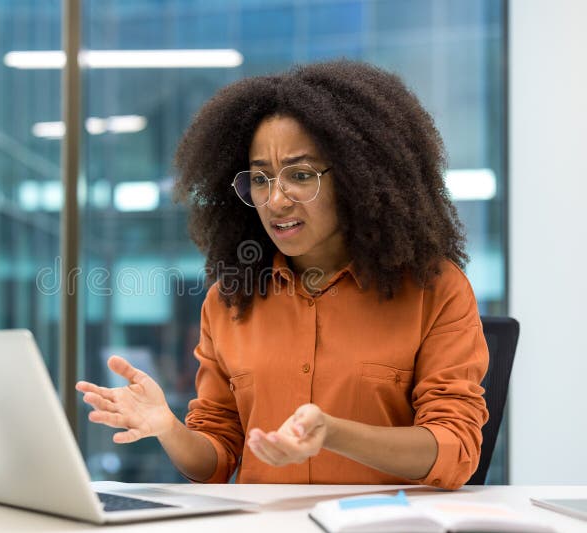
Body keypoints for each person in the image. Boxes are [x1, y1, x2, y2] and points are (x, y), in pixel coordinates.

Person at [76, 60, 489, 490]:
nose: (276, 200)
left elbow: (455, 450)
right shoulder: (229, 300)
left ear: (357, 178)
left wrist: (332, 434)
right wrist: (167, 427)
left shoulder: (434, 289)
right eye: (260, 178)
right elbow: (214, 460)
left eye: (301, 175)